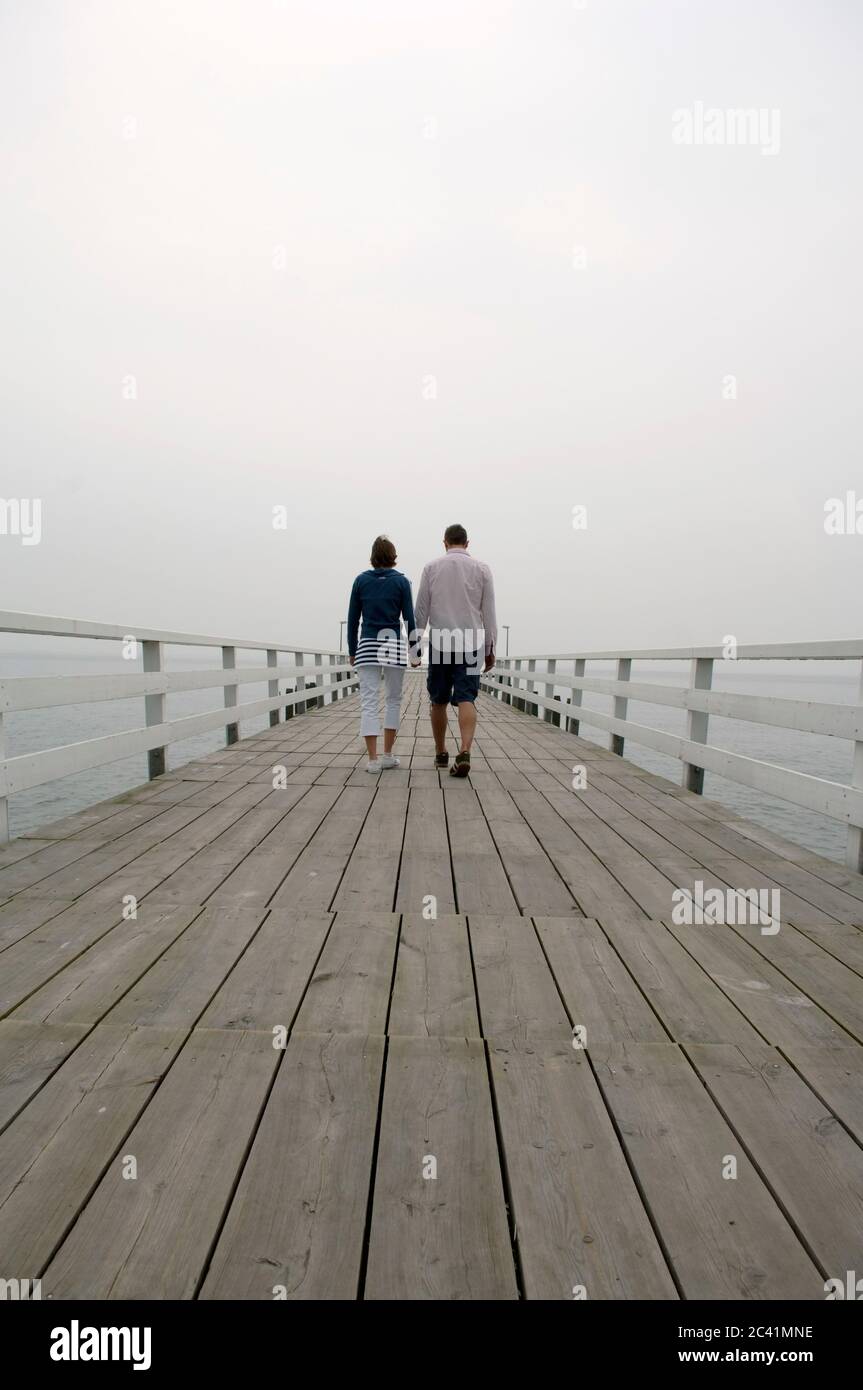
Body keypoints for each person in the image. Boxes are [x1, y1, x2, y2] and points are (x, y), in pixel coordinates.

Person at [412, 523, 496, 778]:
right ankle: (465, 750)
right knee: (466, 698)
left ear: (445, 542)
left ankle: (440, 752)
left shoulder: (431, 568)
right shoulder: (482, 569)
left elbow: (421, 611)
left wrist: (415, 647)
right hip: (471, 643)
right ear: (467, 543)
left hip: (441, 642)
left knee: (438, 700)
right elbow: (488, 612)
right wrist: (490, 648)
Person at [347, 535, 417, 773]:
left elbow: (353, 619)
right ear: (393, 557)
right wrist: (415, 651)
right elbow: (409, 618)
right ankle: (388, 754)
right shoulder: (402, 582)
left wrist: (352, 650)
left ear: (373, 557)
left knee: (368, 701)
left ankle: (373, 760)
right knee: (393, 700)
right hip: (393, 646)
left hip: (367, 645)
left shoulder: (360, 581)